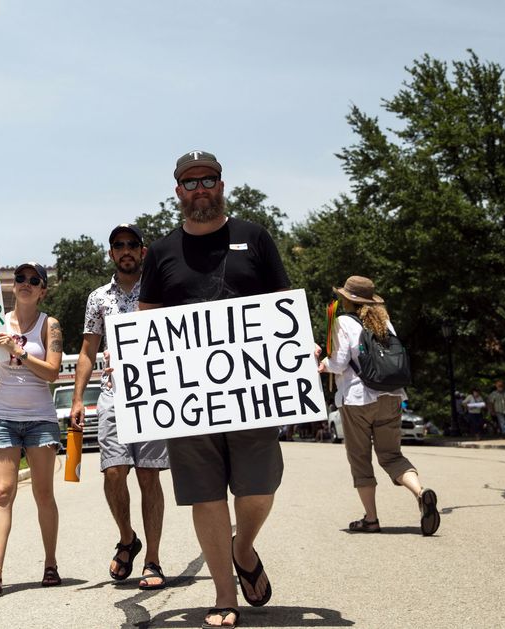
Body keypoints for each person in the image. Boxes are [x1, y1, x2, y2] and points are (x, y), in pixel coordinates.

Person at [137, 151, 291, 628]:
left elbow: (281, 307)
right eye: (190, 182)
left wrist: (296, 349)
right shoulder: (161, 253)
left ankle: (242, 547)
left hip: (251, 393)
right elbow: (147, 323)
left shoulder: (255, 238)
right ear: (178, 191)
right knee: (205, 495)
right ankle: (226, 595)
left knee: (259, 488)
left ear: (222, 185)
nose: (200, 188)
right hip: (189, 401)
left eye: (208, 180)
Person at [71, 223, 170, 590]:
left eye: (132, 244)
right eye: (118, 245)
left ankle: (153, 561)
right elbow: (87, 350)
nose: (125, 250)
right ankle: (127, 537)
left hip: (152, 391)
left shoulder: (161, 289)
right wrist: (79, 397)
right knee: (113, 472)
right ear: (111, 253)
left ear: (142, 252)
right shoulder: (99, 298)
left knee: (149, 475)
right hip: (113, 392)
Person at [0, 262, 64, 595]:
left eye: (33, 280)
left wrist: (18, 351)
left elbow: (51, 373)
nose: (25, 283)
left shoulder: (50, 326)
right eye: (20, 279)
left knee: (43, 494)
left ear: (42, 290)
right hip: (4, 416)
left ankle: (50, 563)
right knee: (2, 493)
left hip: (40, 419)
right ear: (13, 287)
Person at [319, 276, 441, 540]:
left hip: (357, 400)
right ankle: (420, 493)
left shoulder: (343, 322)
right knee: (391, 455)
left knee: (360, 459)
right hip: (392, 397)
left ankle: (371, 519)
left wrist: (322, 363)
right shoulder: (385, 321)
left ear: (346, 299)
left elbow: (339, 364)